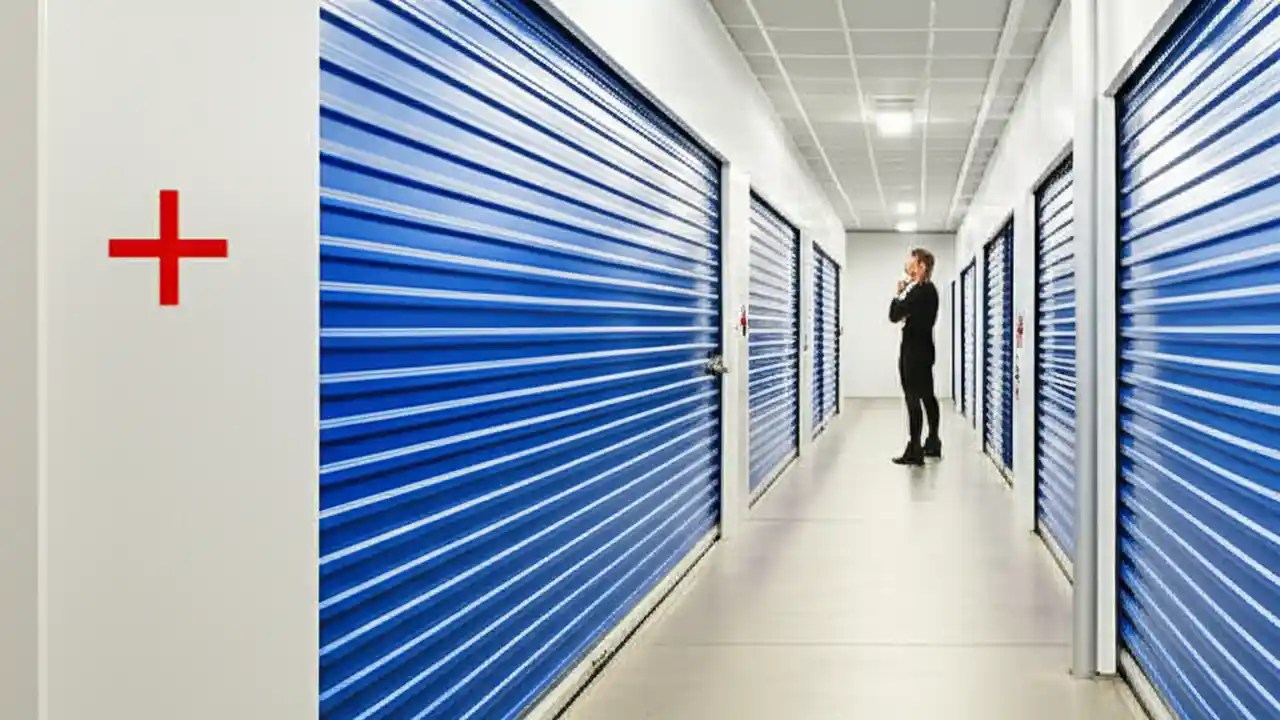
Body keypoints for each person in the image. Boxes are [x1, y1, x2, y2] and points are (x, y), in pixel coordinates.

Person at [888, 248, 941, 466]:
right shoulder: (930, 290)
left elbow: (894, 315)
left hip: (912, 352)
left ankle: (915, 449)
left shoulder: (918, 291)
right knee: (927, 396)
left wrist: (898, 292)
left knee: (912, 398)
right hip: (926, 350)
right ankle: (933, 441)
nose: (908, 268)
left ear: (922, 266)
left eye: (912, 264)